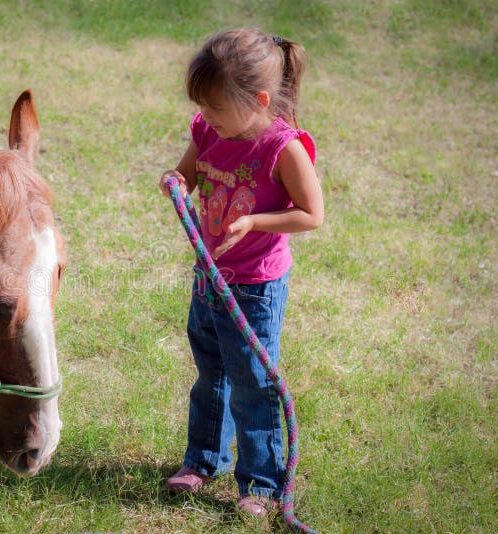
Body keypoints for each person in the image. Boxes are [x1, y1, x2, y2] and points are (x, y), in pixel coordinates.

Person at [158, 28, 323, 519]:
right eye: (202, 109)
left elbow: (311, 214)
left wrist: (255, 221)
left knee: (253, 382)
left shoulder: (282, 147)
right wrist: (176, 180)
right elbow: (188, 172)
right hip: (209, 277)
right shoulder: (211, 131)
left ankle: (261, 483)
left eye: (215, 109)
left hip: (255, 287)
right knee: (211, 374)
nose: (205, 119)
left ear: (259, 100)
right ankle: (202, 460)